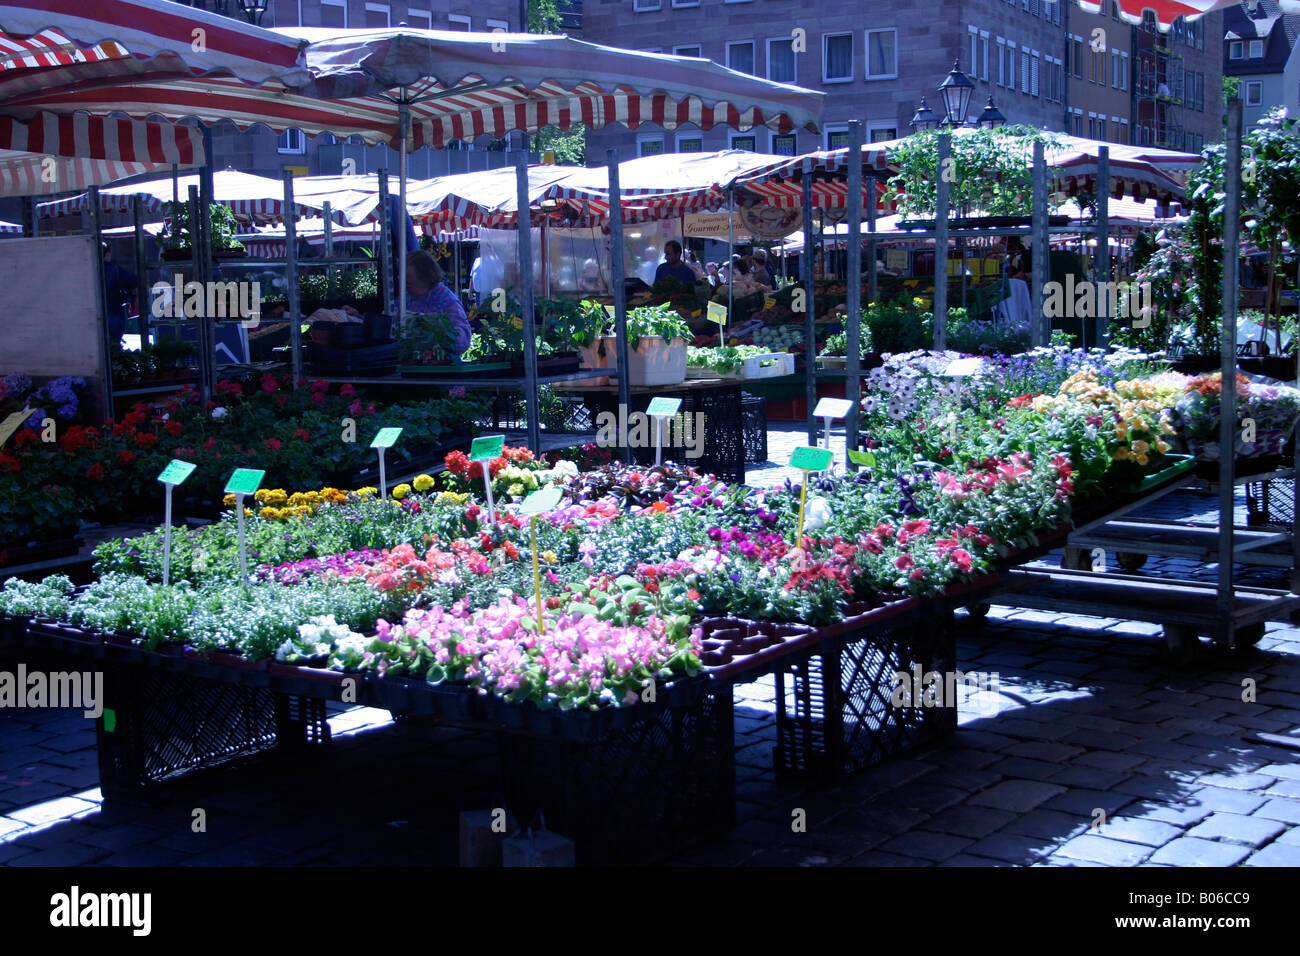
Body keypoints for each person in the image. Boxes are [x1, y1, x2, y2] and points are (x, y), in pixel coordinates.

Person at [406, 250, 473, 358]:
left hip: (442, 368)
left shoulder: (447, 301)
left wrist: (440, 326)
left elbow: (463, 342)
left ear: (425, 278)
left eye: (409, 283)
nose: (404, 286)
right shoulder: (404, 298)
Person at [102, 243, 137, 348]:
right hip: (114, 311)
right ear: (108, 254)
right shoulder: (115, 270)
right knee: (114, 345)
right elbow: (133, 281)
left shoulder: (87, 270)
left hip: (94, 314)